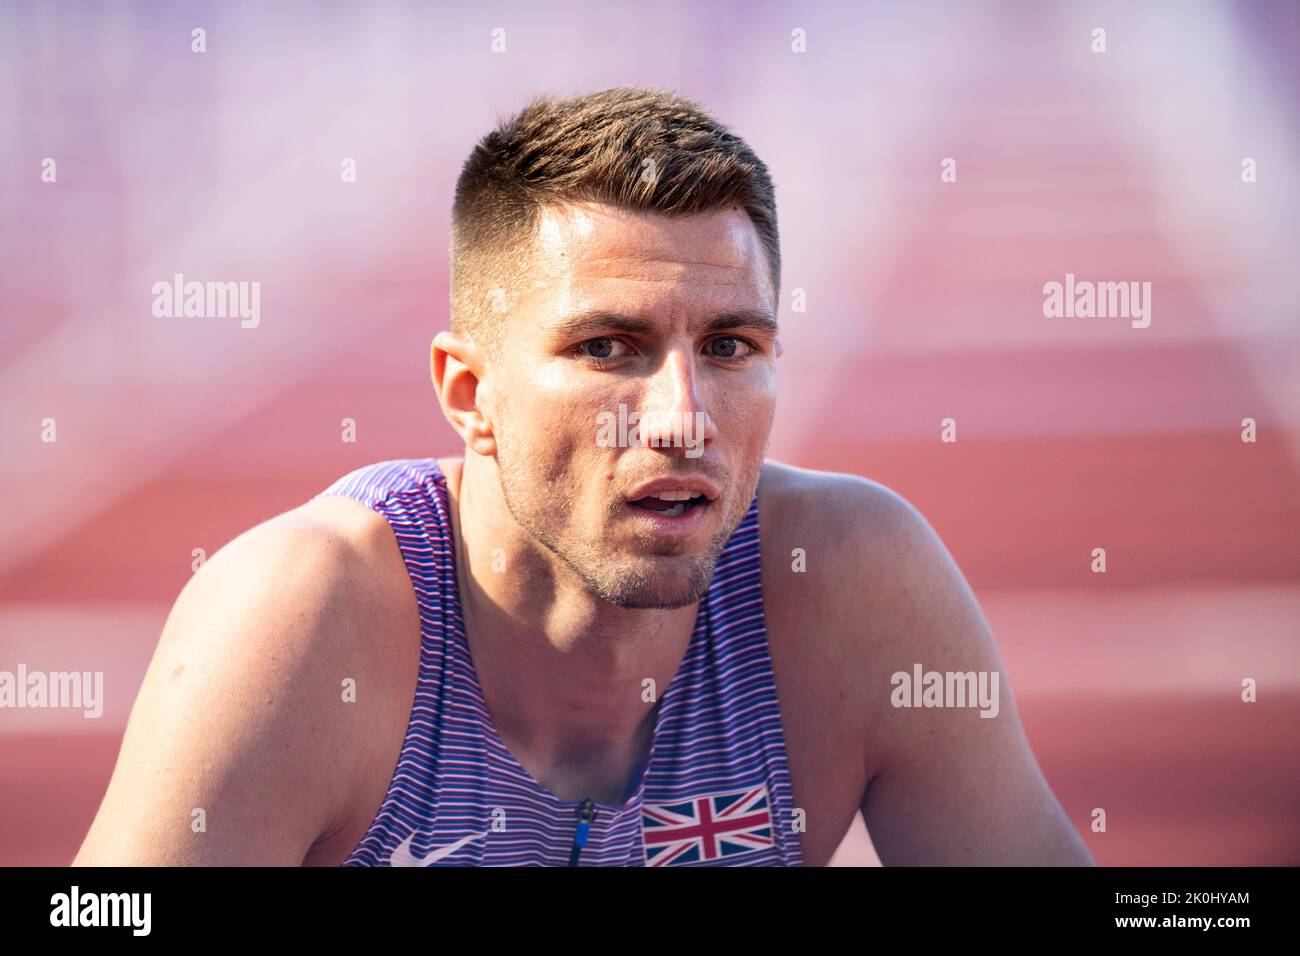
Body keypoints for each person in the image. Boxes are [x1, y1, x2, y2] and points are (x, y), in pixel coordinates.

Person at [74, 86, 1093, 866]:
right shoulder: (301, 616)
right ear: (468, 392)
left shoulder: (858, 582)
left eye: (732, 345)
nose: (683, 417)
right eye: (610, 346)